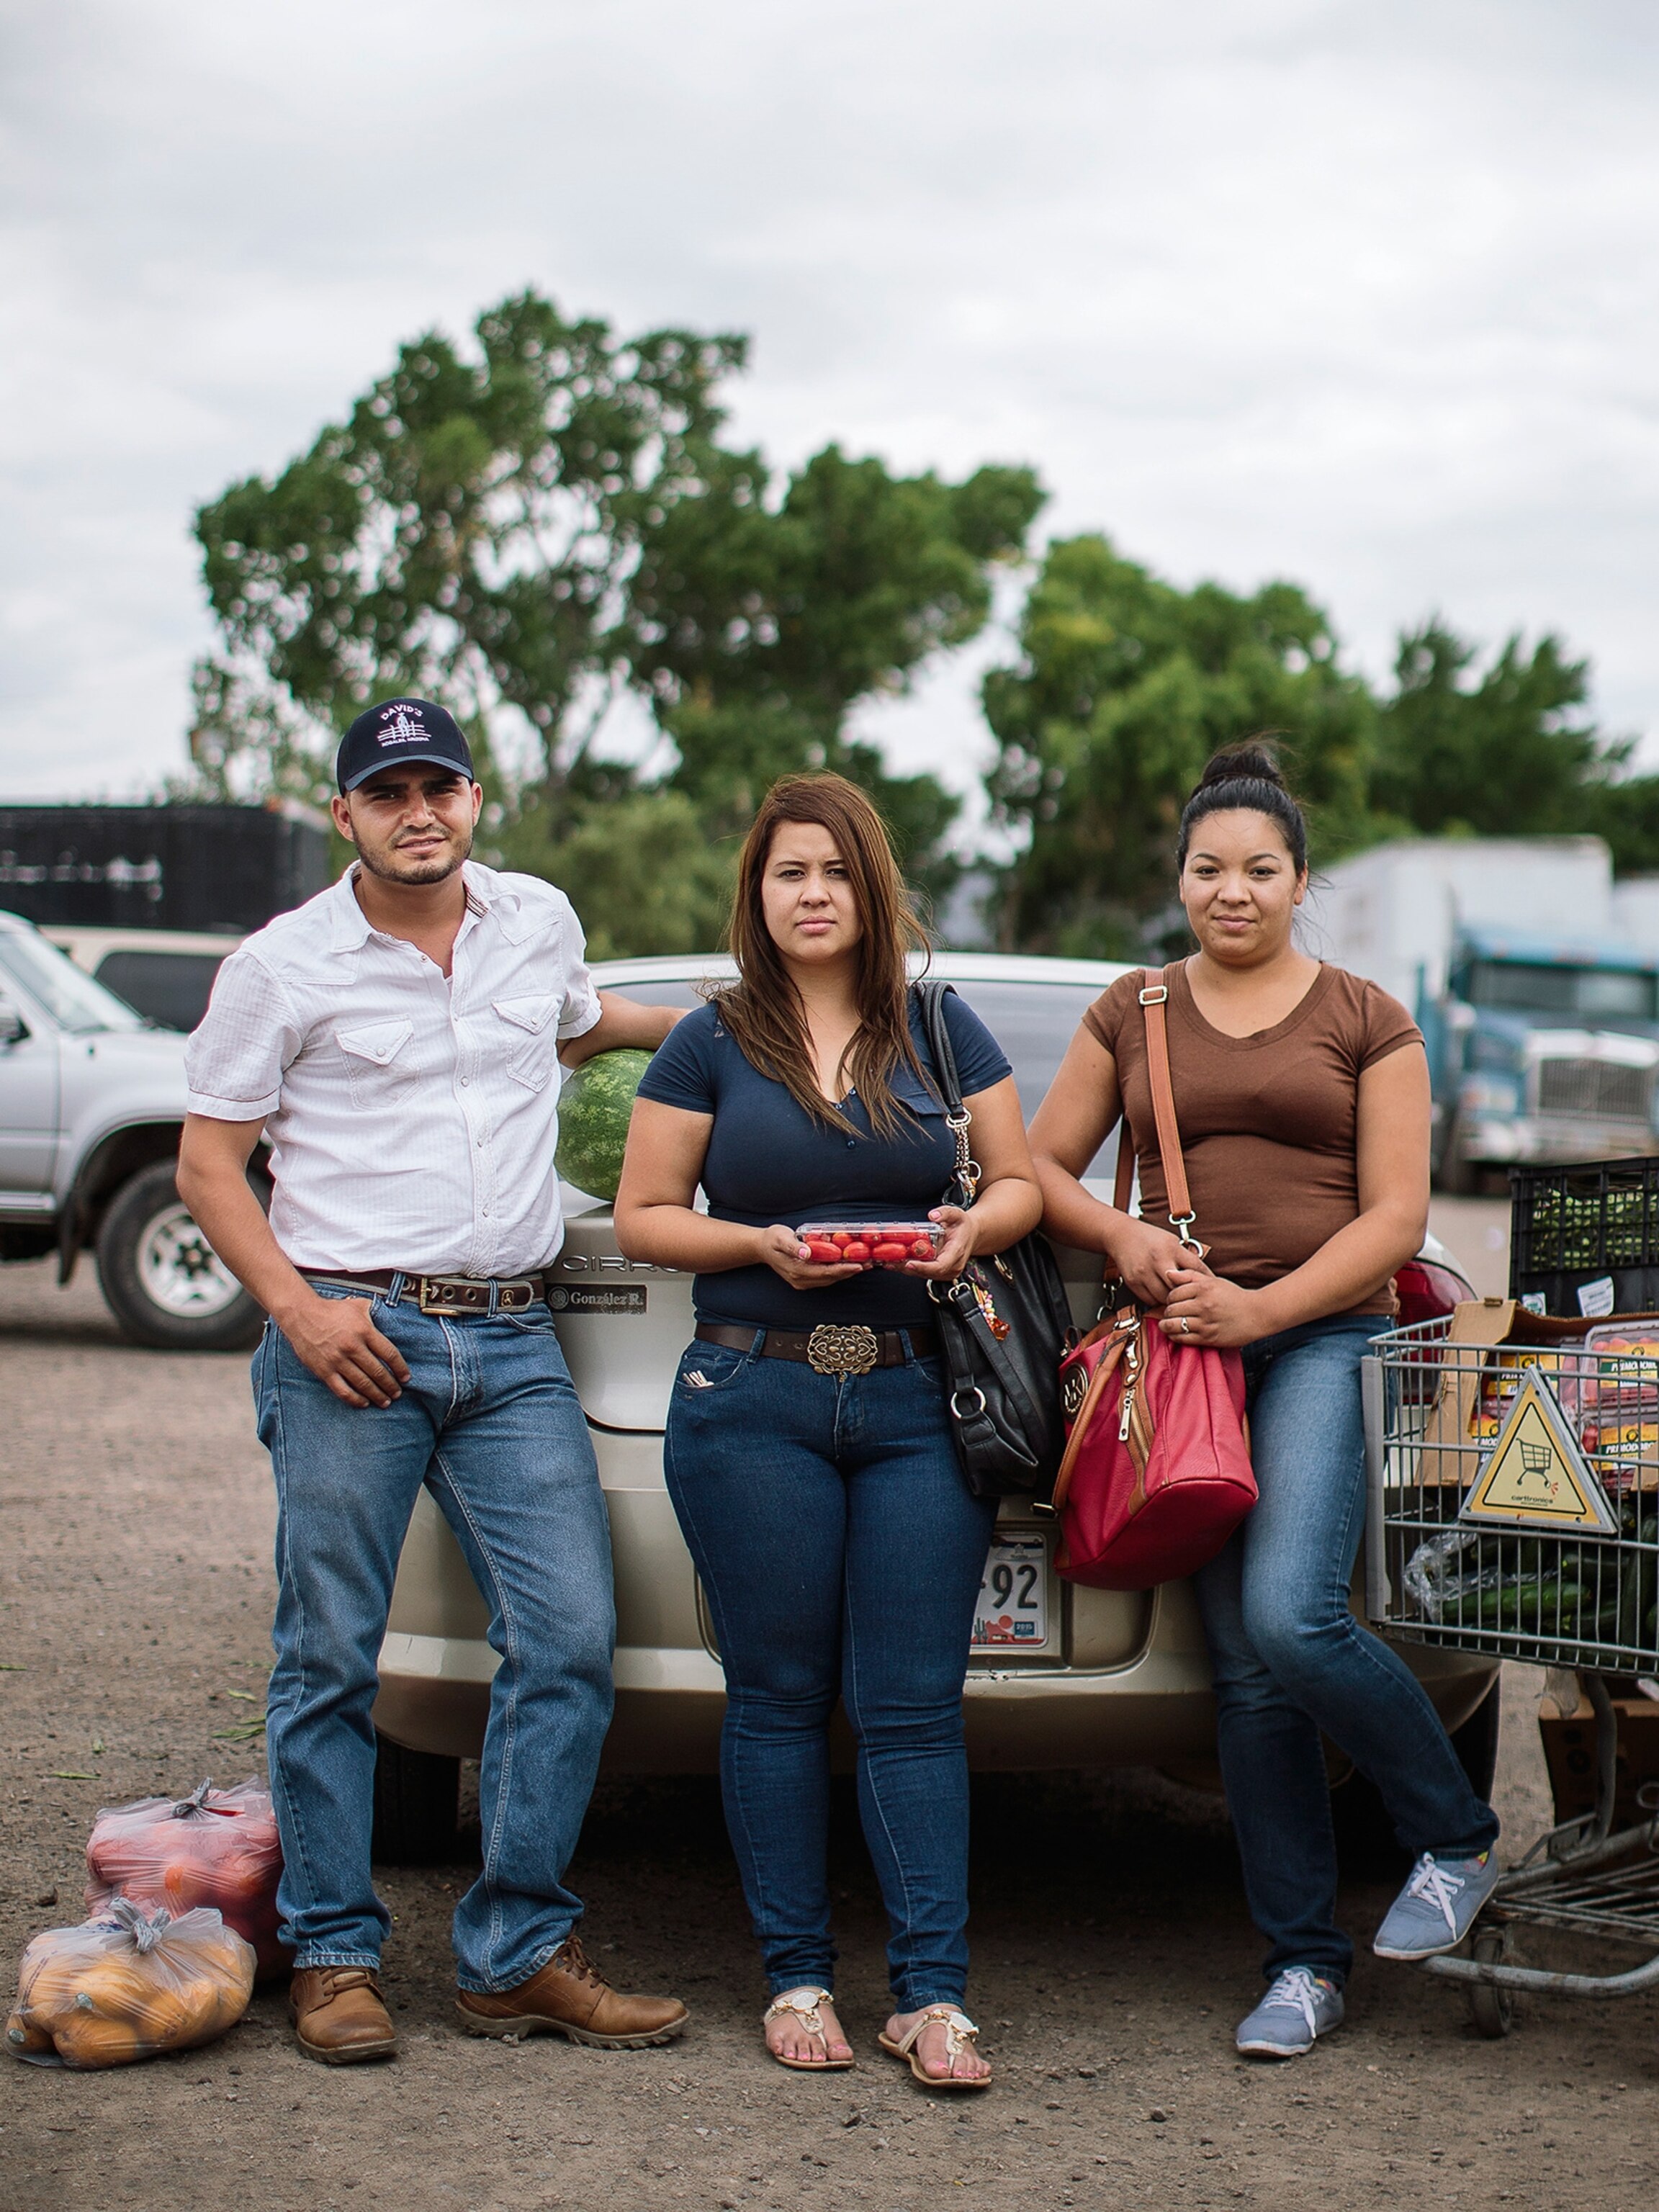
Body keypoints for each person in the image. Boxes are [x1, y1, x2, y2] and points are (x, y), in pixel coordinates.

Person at [177, 696, 690, 2066]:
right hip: (356, 1338)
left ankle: (514, 1952)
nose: (420, 810)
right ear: (346, 814)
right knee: (331, 1655)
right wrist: (296, 1312)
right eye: (388, 790)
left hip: (516, 1342)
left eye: (441, 786)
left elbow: (581, 1030)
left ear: (475, 799)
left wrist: (732, 1018)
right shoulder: (282, 967)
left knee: (569, 1642)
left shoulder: (539, 922)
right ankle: (335, 1955)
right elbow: (207, 1168)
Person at [1028, 742, 1500, 2061]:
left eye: (1260, 870)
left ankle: (1457, 1838)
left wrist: (1267, 1309)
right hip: (1180, 1362)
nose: (1231, 892)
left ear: (1300, 883)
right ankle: (1304, 1962)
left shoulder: (1366, 1015)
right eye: (1207, 869)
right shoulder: (1136, 1011)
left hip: (1318, 1343)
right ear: (1179, 877)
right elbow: (1041, 1167)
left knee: (1294, 1618)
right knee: (1243, 1676)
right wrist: (1125, 1245)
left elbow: (1398, 1218)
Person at [613, 773, 1041, 2089]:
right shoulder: (711, 1039)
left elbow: (1020, 1178)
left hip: (922, 1396)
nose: (812, 895)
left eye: (836, 873)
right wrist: (754, 1242)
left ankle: (930, 1997)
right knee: (782, 1702)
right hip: (752, 1398)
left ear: (873, 892)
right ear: (757, 891)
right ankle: (796, 1979)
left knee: (914, 1709)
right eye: (787, 873)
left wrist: (977, 1226)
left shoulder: (937, 1024)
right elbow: (644, 1215)